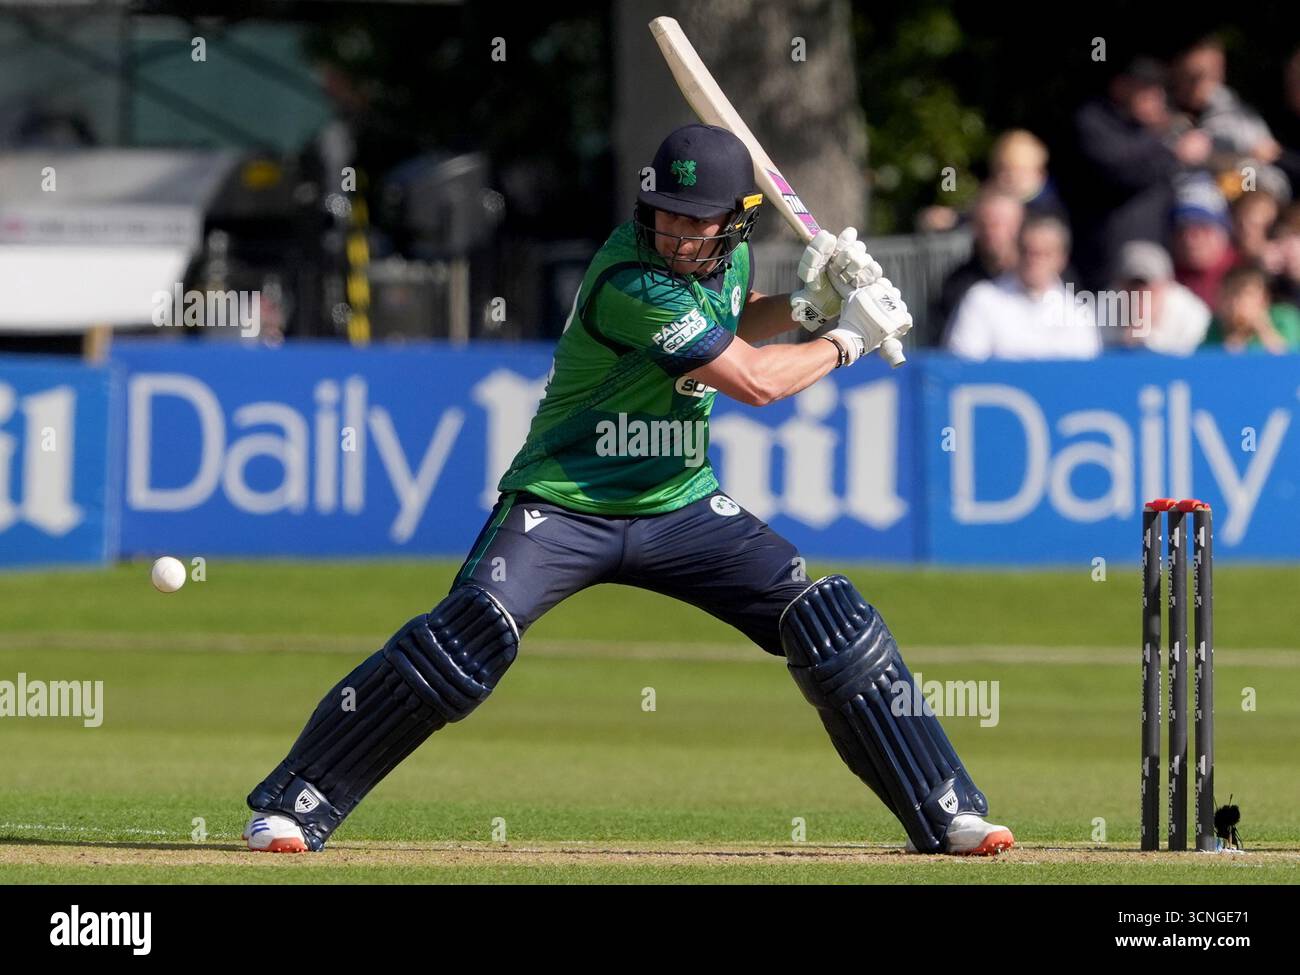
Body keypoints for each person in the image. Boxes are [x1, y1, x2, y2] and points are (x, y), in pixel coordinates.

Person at [240, 124, 1014, 857]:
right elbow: (752, 382)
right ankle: (293, 802)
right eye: (664, 218)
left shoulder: (722, 263)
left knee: (830, 622)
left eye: (695, 224)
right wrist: (847, 338)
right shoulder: (630, 279)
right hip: (564, 499)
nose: (676, 237)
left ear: (736, 224)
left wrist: (807, 306)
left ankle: (947, 812)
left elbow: (729, 322)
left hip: (680, 505)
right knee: (462, 642)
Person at [945, 215, 1100, 360]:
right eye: (1027, 251)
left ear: (1062, 258)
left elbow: (1084, 371)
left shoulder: (1077, 312)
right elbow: (963, 364)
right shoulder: (982, 300)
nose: (1034, 261)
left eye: (1045, 253)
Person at [1104, 241, 1210, 355]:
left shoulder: (1194, 315)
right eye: (1132, 287)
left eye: (1148, 287)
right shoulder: (1098, 311)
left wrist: (1148, 342)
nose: (1140, 294)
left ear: (1167, 284)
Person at [1202, 263, 1300, 352]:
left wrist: (1263, 327)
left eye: (1246, 295)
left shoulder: (1284, 318)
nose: (1236, 303)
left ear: (1263, 299)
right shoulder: (1216, 326)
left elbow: (1286, 358)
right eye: (1230, 295)